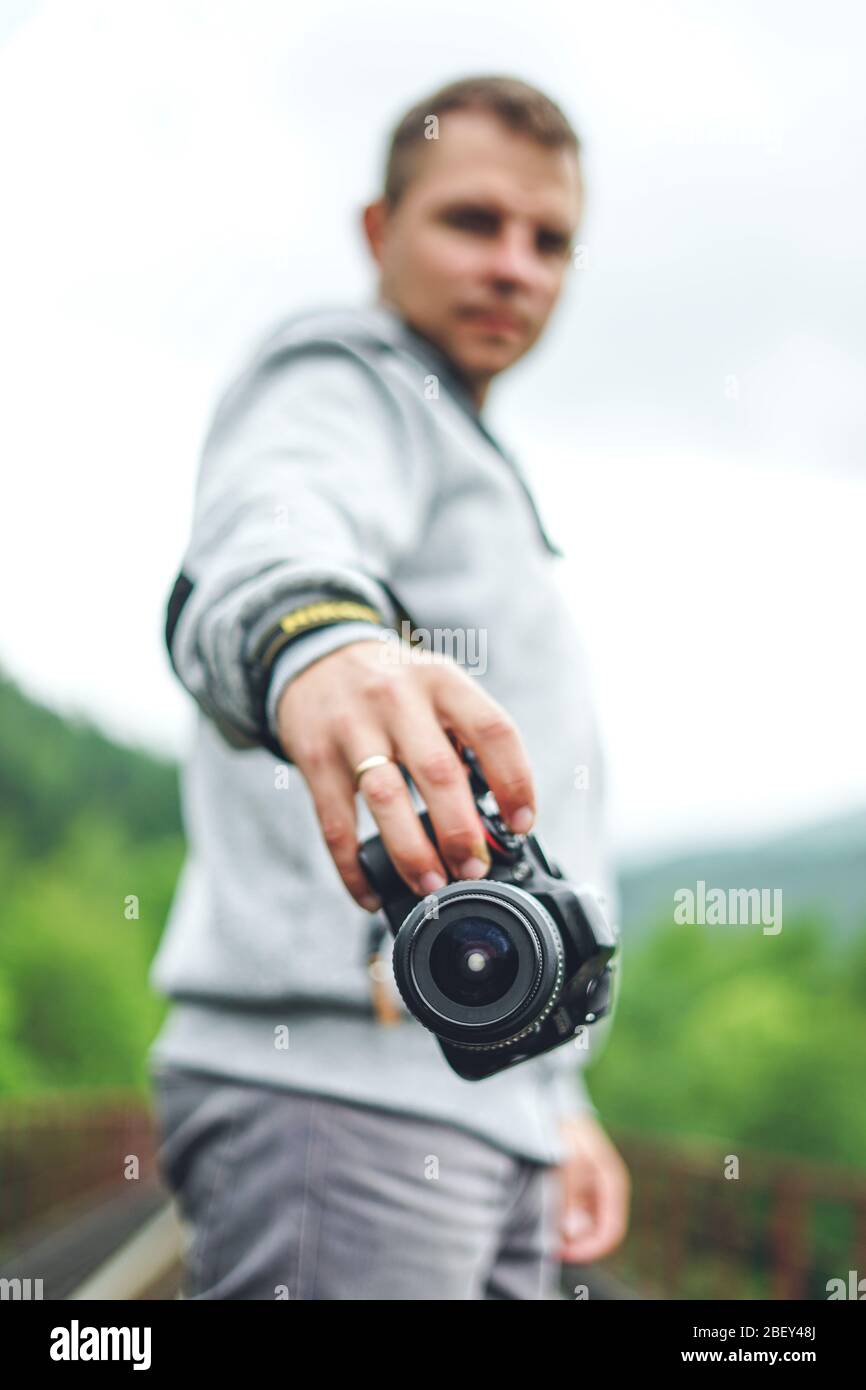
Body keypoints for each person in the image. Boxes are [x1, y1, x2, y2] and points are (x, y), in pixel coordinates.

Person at [149, 72, 630, 1301]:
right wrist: (314, 641)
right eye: (472, 221)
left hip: (487, 1106)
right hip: (335, 1105)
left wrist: (552, 1094)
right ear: (379, 231)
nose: (514, 266)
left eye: (550, 240)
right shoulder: (342, 378)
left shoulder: (471, 455)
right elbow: (273, 528)